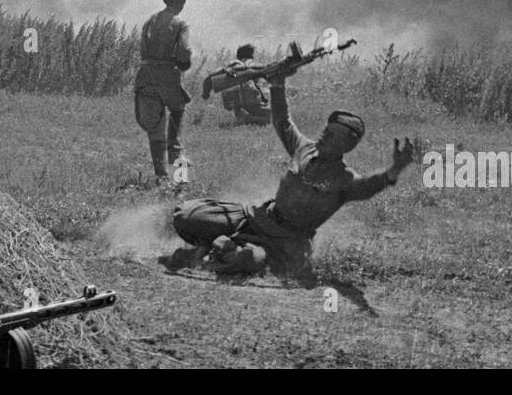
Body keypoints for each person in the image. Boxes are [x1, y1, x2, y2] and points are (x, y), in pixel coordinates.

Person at [171, 65, 416, 282]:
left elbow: (369, 186)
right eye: (325, 130)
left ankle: (222, 249)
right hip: (257, 217)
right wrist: (278, 84)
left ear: (346, 146)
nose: (323, 135)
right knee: (185, 215)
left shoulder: (345, 180)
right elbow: (282, 121)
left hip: (284, 244)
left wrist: (395, 169)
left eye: (332, 135)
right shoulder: (304, 149)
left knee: (245, 257)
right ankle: (221, 243)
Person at [134, 0, 192, 182]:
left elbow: (142, 48)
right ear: (182, 2)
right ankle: (181, 181)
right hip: (168, 79)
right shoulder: (180, 23)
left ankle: (161, 178)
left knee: (155, 133)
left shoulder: (150, 21)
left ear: (166, 1)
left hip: (145, 77)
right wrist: (183, 64)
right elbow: (184, 52)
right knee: (175, 135)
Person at [221, 42, 272, 125]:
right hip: (252, 103)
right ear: (250, 55)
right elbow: (259, 85)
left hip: (237, 107)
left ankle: (243, 118)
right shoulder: (251, 65)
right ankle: (248, 119)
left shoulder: (230, 67)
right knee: (275, 115)